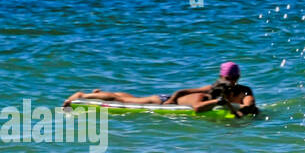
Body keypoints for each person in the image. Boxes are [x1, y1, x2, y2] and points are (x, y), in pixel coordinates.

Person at [64, 62, 258, 115]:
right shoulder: (210, 91)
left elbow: (249, 106)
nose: (230, 81)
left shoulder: (245, 90)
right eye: (228, 78)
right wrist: (172, 102)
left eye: (231, 78)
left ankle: (99, 93)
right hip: (164, 100)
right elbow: (185, 94)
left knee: (130, 97)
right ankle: (84, 95)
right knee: (125, 101)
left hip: (170, 99)